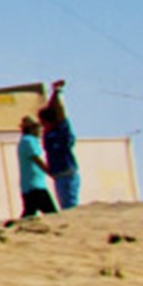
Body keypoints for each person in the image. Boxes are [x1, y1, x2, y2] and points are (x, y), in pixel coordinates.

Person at [39, 79, 81, 211]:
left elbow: (60, 111)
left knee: (69, 207)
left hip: (67, 174)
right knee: (64, 206)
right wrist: (52, 94)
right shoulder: (47, 135)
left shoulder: (62, 131)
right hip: (58, 175)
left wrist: (58, 92)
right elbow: (51, 109)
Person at [15, 116, 58, 219]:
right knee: (51, 213)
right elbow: (36, 159)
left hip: (29, 185)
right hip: (35, 186)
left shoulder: (26, 141)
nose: (40, 131)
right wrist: (50, 172)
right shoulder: (29, 141)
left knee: (29, 213)